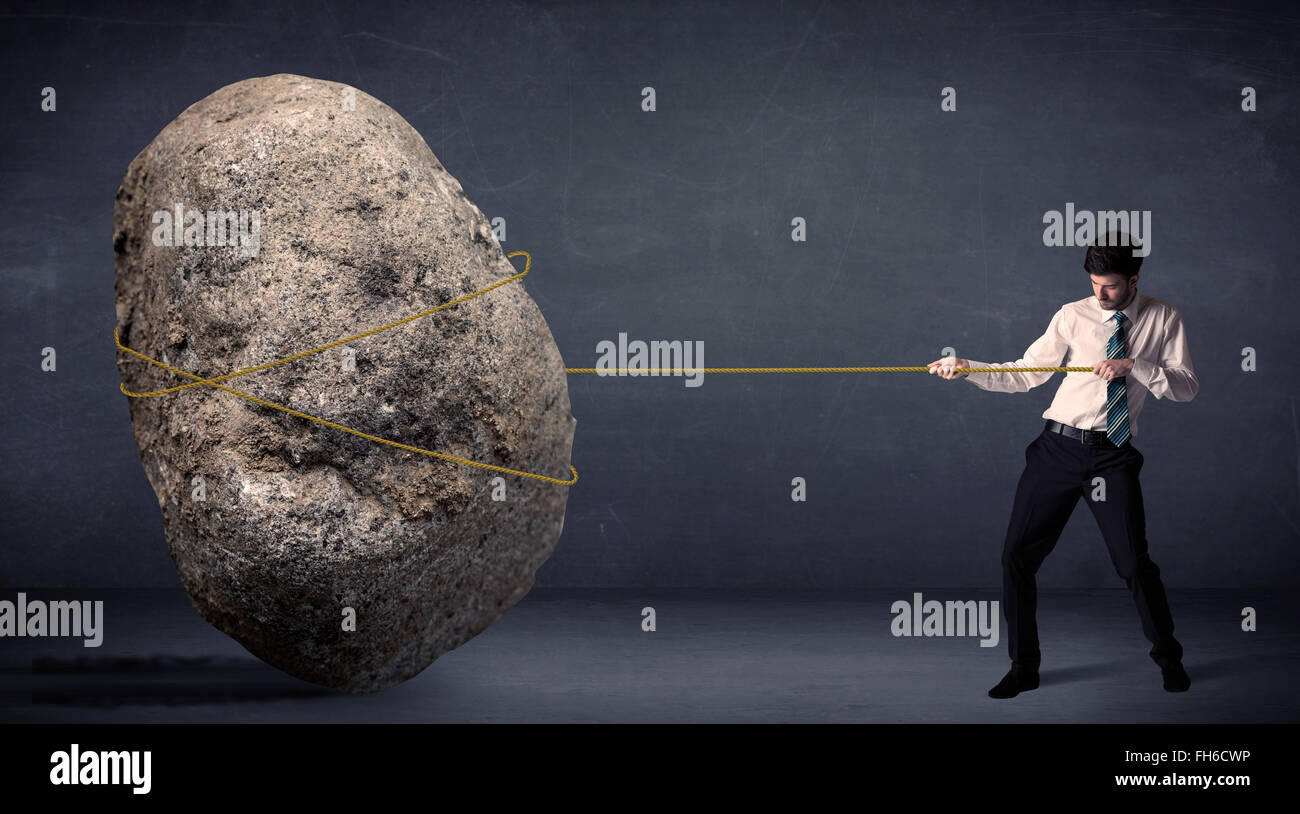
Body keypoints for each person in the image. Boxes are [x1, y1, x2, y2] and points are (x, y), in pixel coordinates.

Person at [928, 232, 1198, 697]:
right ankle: (1023, 668)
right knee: (1016, 557)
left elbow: (1186, 387)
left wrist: (1135, 365)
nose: (1101, 295)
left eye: (1111, 286)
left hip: (1112, 455)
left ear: (1134, 280)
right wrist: (968, 367)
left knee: (1134, 564)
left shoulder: (1164, 317)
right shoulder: (1073, 315)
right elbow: (1026, 373)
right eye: (1094, 284)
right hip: (1057, 449)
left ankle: (1169, 660)